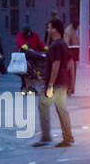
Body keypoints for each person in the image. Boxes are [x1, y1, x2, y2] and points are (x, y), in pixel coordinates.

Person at [25, 19, 74, 148]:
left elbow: (56, 64)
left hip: (55, 83)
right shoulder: (63, 43)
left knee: (42, 104)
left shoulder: (56, 45)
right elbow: (70, 63)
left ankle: (46, 137)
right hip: (62, 82)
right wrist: (69, 81)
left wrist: (50, 84)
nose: (47, 30)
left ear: (55, 29)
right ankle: (68, 137)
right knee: (61, 109)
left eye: (49, 27)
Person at [15, 24, 43, 93]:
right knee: (24, 72)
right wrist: (23, 45)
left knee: (32, 72)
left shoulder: (34, 35)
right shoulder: (20, 35)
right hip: (23, 55)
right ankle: (24, 86)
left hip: (33, 55)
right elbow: (19, 41)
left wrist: (44, 47)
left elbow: (39, 43)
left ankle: (31, 87)